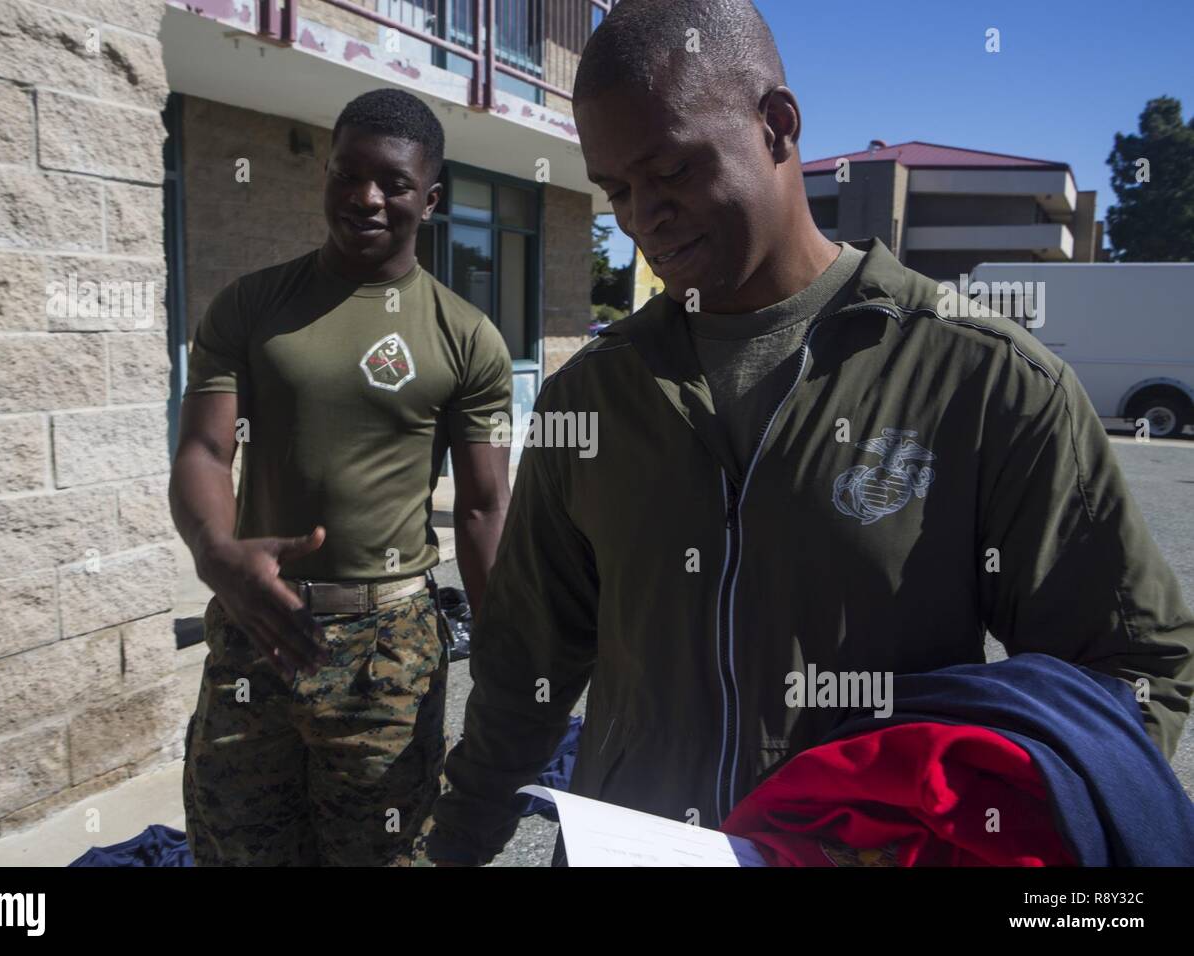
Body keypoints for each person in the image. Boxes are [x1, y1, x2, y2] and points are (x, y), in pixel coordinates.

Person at [428, 0, 1194, 866]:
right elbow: (518, 676)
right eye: (617, 192)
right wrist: (454, 847)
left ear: (778, 125)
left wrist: (995, 821)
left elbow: (1133, 665)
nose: (644, 217)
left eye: (671, 169)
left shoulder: (986, 381)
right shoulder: (591, 402)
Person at [172, 88, 513, 866]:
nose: (365, 198)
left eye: (391, 182)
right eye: (346, 174)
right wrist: (214, 552)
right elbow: (202, 452)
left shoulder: (468, 339)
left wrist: (501, 652)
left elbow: (486, 510)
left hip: (386, 652)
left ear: (430, 198)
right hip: (254, 625)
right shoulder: (250, 307)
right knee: (235, 849)